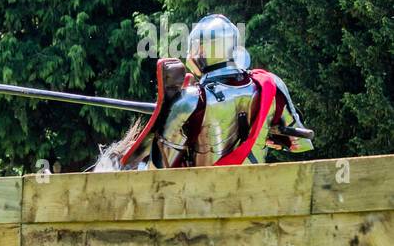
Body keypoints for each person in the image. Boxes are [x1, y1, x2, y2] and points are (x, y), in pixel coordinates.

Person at [119, 14, 312, 169]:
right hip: (256, 192)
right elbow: (299, 143)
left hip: (204, 201)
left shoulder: (191, 100)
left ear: (201, 51)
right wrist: (268, 133)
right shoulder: (269, 86)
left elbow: (158, 169)